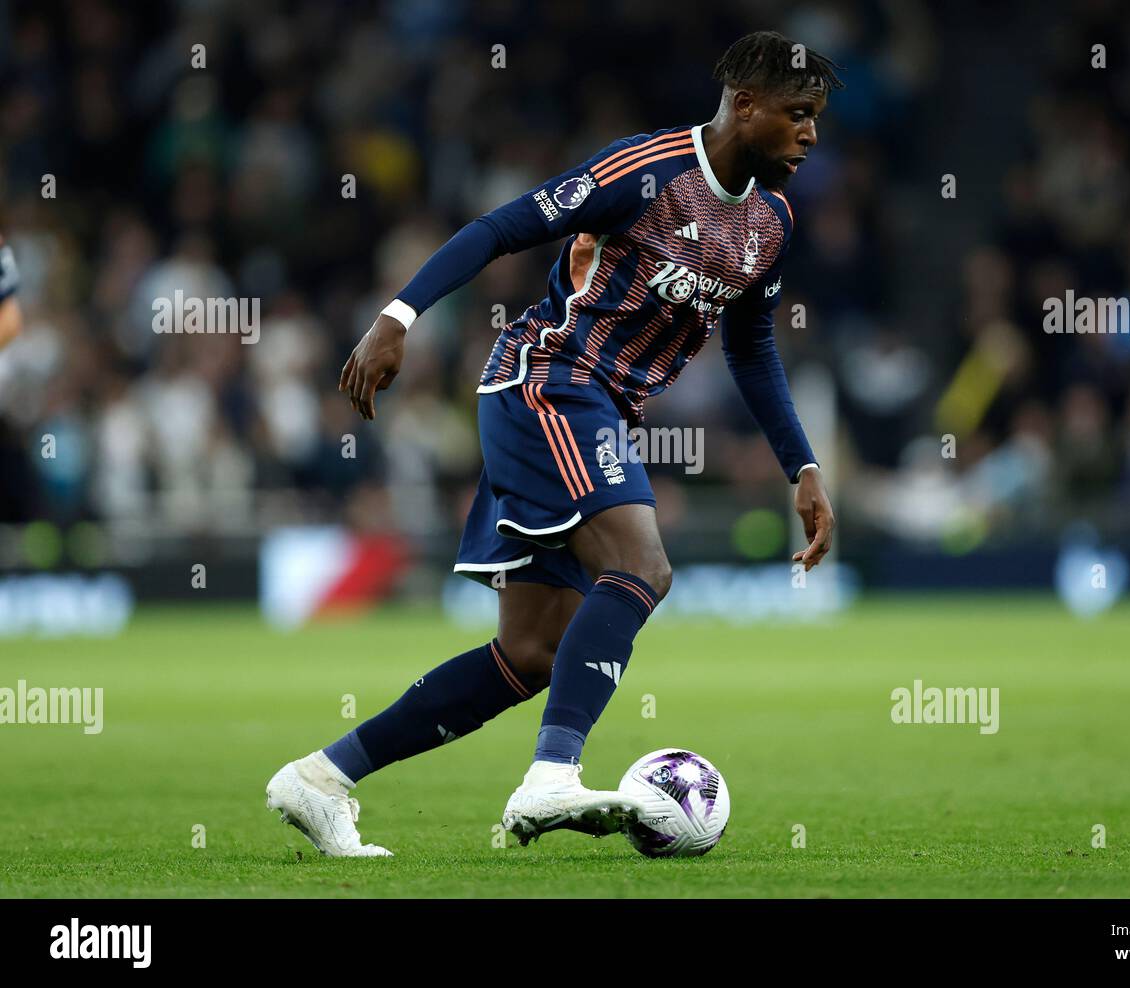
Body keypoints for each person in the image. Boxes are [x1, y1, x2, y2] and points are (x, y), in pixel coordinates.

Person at [267, 30, 841, 855]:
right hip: (548, 382)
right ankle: (550, 777)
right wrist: (398, 319)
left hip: (593, 409)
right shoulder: (642, 172)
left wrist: (804, 466)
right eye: (797, 115)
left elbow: (750, 349)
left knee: (532, 651)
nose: (811, 135)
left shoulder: (772, 222)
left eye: (817, 119)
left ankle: (322, 778)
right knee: (642, 566)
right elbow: (501, 226)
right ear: (744, 107)